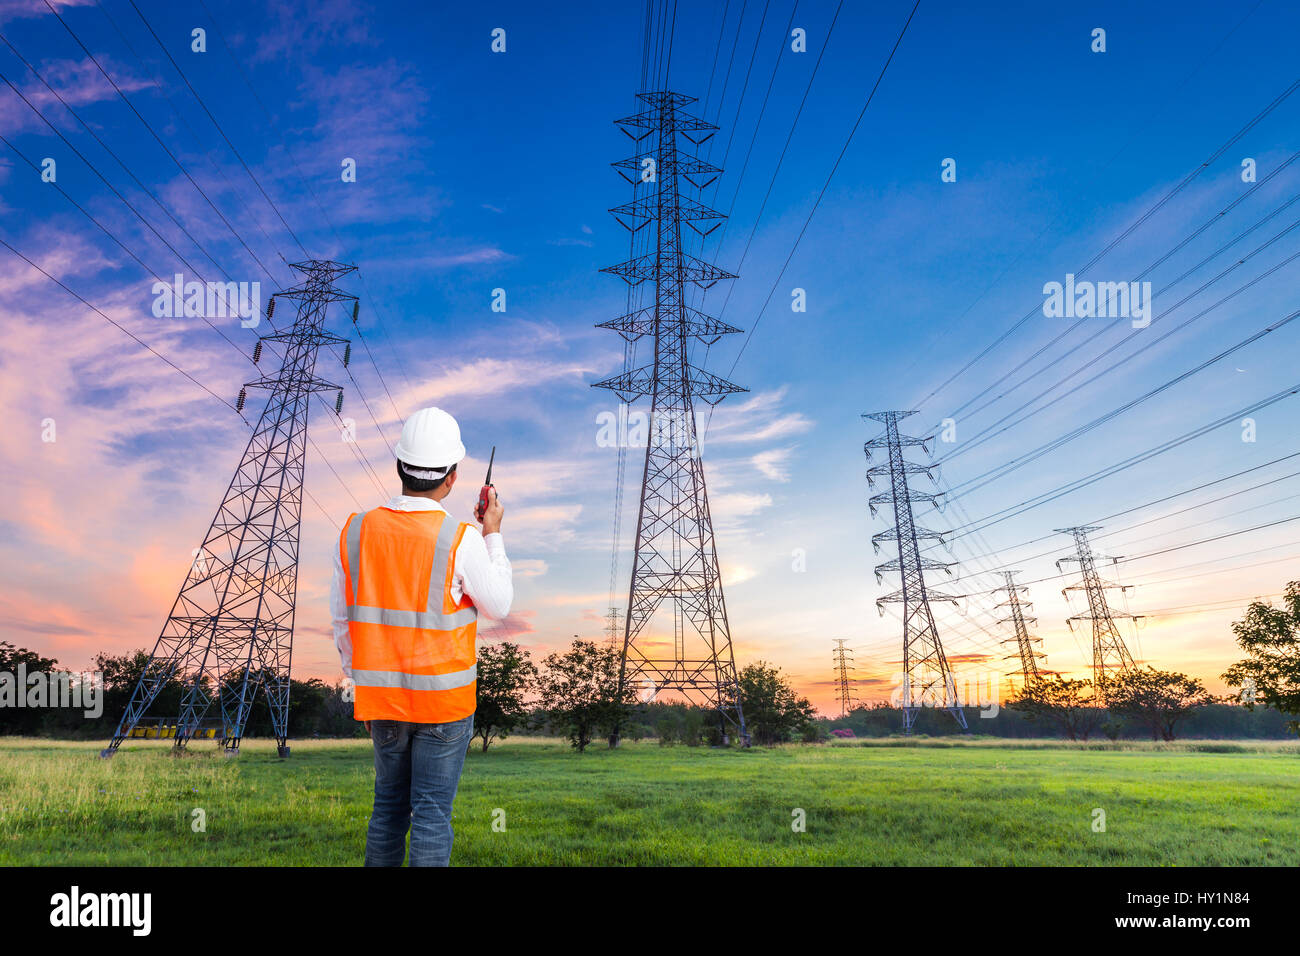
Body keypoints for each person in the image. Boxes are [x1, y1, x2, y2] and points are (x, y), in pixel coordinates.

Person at [330, 406, 511, 866]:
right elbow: (499, 606)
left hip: (383, 704)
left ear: (399, 466)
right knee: (431, 816)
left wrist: (365, 690)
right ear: (452, 478)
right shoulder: (460, 538)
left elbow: (342, 622)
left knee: (387, 812)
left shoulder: (355, 531)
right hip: (444, 709)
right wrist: (492, 533)